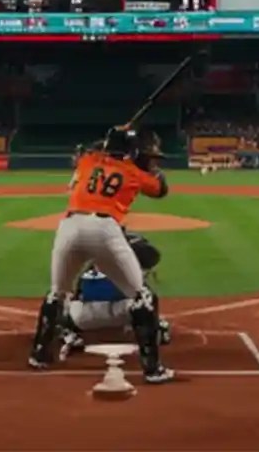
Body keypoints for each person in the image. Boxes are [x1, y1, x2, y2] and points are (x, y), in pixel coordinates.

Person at [28, 126, 175, 383]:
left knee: (57, 292)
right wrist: (149, 165)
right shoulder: (133, 173)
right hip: (105, 230)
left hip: (69, 227)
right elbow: (161, 189)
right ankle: (153, 369)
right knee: (141, 296)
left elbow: (87, 149)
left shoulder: (89, 161)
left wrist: (113, 135)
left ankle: (39, 354)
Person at [57, 231, 172, 360]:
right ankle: (153, 335)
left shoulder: (92, 265)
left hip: (83, 319)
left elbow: (78, 293)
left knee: (61, 296)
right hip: (123, 315)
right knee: (146, 297)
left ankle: (68, 332)